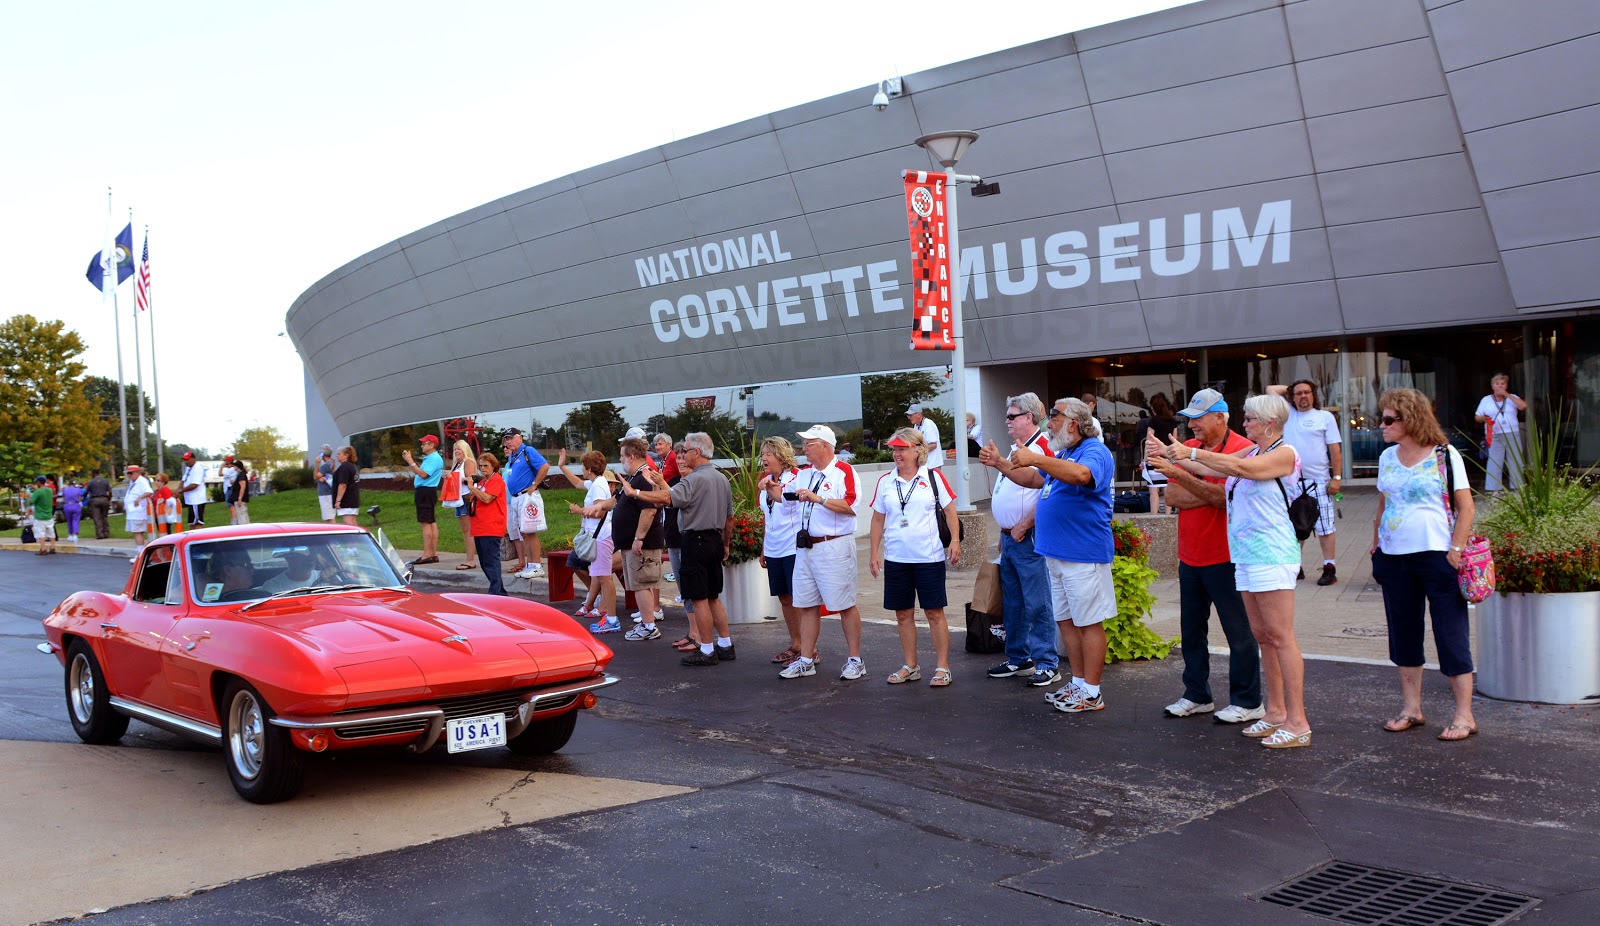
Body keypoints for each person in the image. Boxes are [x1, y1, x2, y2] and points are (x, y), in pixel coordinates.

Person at [1158, 393, 1312, 748]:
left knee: (1280, 636)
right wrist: (1174, 458)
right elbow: (1213, 469)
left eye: (1251, 419)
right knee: (1263, 635)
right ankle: (1274, 713)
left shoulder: (1284, 453)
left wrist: (1190, 453)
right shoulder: (1253, 451)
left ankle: (1297, 720)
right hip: (1245, 556)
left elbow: (1239, 470)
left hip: (1272, 555)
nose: (1246, 424)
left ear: (1270, 423)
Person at [1144, 388, 1263, 724]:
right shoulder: (1189, 449)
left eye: (1198, 418)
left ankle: (1248, 701)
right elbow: (1174, 497)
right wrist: (1207, 489)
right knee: (1191, 630)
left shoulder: (1243, 449)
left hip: (1228, 556)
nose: (1191, 424)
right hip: (1191, 554)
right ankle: (1197, 694)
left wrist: (1187, 477)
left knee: (1239, 632)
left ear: (1220, 417)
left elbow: (1223, 499)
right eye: (1190, 418)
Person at [1372, 388, 1478, 742]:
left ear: (1410, 420)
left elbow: (1467, 507)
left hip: (1437, 555)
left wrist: (1456, 549)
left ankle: (1464, 715)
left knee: (1450, 632)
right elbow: (1383, 504)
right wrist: (1375, 546)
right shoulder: (1387, 457)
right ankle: (1411, 709)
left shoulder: (1444, 456)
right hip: (1393, 557)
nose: (1381, 425)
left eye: (1388, 420)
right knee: (1403, 633)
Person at [1006, 398, 1117, 712]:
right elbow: (1033, 479)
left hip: (1082, 553)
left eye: (1054, 416)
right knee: (1067, 621)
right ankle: (1079, 684)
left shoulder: (1094, 451)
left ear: (1074, 423)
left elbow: (1083, 476)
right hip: (1057, 554)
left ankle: (1092, 692)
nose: (1048, 422)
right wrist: (1001, 463)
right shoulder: (1065, 454)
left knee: (1088, 622)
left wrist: (1036, 459)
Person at [978, 393, 1059, 687]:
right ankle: (1019, 657)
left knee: (1037, 602)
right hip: (1011, 536)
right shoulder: (1019, 448)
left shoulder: (1043, 448)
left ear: (1029, 417)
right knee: (1013, 602)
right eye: (1007, 416)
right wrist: (1005, 529)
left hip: (1028, 535)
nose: (1007, 421)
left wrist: (1025, 522)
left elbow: (1050, 491)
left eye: (1012, 416)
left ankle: (1047, 662)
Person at [869, 428, 960, 686]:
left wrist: (954, 541)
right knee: (902, 614)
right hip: (897, 559)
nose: (897, 454)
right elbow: (878, 519)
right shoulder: (886, 481)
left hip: (928, 557)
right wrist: (875, 553)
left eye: (903, 448)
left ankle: (943, 667)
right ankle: (911, 665)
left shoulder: (932, 477)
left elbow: (951, 511)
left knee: (934, 612)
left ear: (918, 450)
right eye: (895, 449)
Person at [640, 432, 736, 666]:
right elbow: (729, 517)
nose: (684, 454)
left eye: (688, 450)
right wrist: (725, 543)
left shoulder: (693, 480)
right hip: (714, 539)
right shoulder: (722, 478)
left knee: (699, 598)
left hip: (696, 540)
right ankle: (725, 644)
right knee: (713, 596)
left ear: (698, 453)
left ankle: (706, 649)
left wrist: (637, 492)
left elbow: (669, 499)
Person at [780, 425, 865, 681]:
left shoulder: (844, 471)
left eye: (809, 444)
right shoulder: (805, 474)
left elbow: (851, 505)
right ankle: (806, 660)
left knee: (845, 605)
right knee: (807, 605)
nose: (804, 448)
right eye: (804, 444)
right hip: (807, 547)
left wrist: (820, 499)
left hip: (834, 546)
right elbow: (785, 497)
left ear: (826, 446)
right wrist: (769, 486)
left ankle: (855, 659)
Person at [1270, 380, 1343, 585]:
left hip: (1319, 480)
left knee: (1324, 526)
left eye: (1307, 392)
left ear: (1314, 395)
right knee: (1294, 525)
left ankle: (1329, 567)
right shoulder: (1288, 415)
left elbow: (1335, 450)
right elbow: (1270, 390)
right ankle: (1295, 565)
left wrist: (1336, 478)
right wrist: (1290, 389)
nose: (1303, 396)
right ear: (1292, 396)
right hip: (1292, 480)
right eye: (1298, 393)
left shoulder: (1324, 417)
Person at [604, 437, 665, 641]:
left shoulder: (643, 478)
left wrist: (638, 538)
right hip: (632, 543)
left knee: (642, 584)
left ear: (631, 456)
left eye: (622, 456)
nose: (620, 459)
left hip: (643, 543)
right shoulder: (634, 478)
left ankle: (648, 626)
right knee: (639, 585)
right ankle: (647, 624)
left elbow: (648, 511)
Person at [757, 436, 806, 664]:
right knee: (784, 598)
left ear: (781, 455)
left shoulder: (797, 478)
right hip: (774, 548)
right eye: (763, 453)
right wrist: (764, 548)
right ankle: (796, 644)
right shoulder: (765, 481)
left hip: (793, 548)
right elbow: (767, 518)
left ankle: (808, 649)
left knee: (800, 599)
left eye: (768, 453)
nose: (764, 458)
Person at [559, 449, 617, 630]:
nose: (582, 470)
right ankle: (610, 617)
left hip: (601, 537)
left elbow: (600, 512)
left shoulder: (598, 485)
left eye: (583, 467)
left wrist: (580, 511)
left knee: (605, 578)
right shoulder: (596, 482)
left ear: (589, 468)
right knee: (601, 575)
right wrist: (561, 466)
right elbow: (577, 483)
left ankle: (612, 619)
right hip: (598, 536)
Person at [501, 428, 549, 580]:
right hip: (516, 497)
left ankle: (536, 565)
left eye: (511, 438)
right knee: (523, 532)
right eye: (506, 439)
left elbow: (544, 466)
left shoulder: (528, 451)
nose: (508, 442)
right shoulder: (513, 456)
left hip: (526, 496)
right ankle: (530, 565)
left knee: (530, 531)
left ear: (519, 438)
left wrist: (535, 484)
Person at [466, 451, 509, 596]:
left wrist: (472, 487)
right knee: (484, 562)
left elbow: (487, 498)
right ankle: (500, 592)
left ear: (493, 466)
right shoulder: (484, 481)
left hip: (491, 526)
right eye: (480, 466)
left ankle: (495, 593)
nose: (482, 468)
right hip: (480, 526)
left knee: (491, 561)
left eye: (485, 465)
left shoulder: (496, 480)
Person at [1475, 373, 1527, 492]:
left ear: (1506, 385)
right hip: (1494, 434)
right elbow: (1477, 417)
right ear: (1492, 386)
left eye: (1502, 384)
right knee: (1495, 461)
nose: (1499, 386)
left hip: (1512, 433)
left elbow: (1523, 406)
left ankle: (1517, 488)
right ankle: (1494, 490)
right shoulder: (1486, 400)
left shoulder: (1512, 397)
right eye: (1497, 384)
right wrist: (1485, 419)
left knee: (1515, 460)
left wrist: (1507, 395)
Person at [400, 434, 444, 564]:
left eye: (424, 443)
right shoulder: (430, 458)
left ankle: (427, 554)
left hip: (425, 491)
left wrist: (410, 461)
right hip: (427, 491)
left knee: (426, 522)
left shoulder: (434, 458)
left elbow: (424, 474)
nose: (422, 445)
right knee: (431, 521)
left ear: (432, 445)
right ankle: (433, 553)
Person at [1134, 394, 1180, 514]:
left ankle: (1154, 516)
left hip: (1154, 458)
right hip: (1168, 458)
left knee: (1154, 490)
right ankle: (1168, 515)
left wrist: (1144, 460)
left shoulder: (1153, 421)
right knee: (1167, 489)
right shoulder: (1172, 421)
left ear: (1154, 408)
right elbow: (1174, 440)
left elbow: (1149, 441)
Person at [443, 440, 479, 571]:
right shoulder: (457, 464)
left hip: (466, 498)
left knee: (468, 530)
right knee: (465, 530)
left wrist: (455, 477)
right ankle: (469, 558)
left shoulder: (468, 462)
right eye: (455, 449)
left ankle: (470, 560)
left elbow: (472, 479)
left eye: (459, 449)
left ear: (465, 449)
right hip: (458, 498)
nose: (457, 451)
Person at [124, 465, 154, 555]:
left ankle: (141, 554)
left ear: (137, 472)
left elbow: (149, 491)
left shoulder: (142, 481)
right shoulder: (133, 482)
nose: (129, 475)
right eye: (128, 473)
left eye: (131, 473)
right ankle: (139, 552)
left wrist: (140, 498)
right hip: (132, 512)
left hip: (138, 512)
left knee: (138, 532)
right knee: (135, 532)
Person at [331, 446, 361, 526]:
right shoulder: (352, 466)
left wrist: (338, 501)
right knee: (353, 521)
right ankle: (358, 537)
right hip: (354, 499)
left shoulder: (344, 467)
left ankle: (353, 538)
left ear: (346, 455)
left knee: (348, 523)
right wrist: (335, 471)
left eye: (339, 454)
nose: (337, 456)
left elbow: (343, 484)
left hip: (347, 500)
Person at [30, 476, 57, 555]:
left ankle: (43, 548)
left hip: (40, 516)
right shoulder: (49, 490)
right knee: (51, 532)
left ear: (39, 482)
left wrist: (29, 496)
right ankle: (52, 547)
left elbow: (31, 501)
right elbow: (43, 493)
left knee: (41, 533)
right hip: (49, 515)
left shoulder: (37, 492)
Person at [179, 452, 208, 526]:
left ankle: (200, 537)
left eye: (187, 459)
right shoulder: (188, 468)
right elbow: (183, 480)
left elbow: (194, 485)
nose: (186, 461)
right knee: (191, 523)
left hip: (196, 500)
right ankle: (193, 537)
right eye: (184, 459)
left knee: (197, 523)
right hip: (191, 501)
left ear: (193, 459)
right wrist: (178, 490)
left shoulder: (197, 468)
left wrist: (181, 491)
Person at [86, 470, 113, 540]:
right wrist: (108, 499)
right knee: (104, 517)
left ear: (93, 474)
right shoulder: (105, 481)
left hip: (94, 500)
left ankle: (100, 534)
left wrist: (84, 498)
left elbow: (86, 492)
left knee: (97, 518)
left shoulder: (91, 482)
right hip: (104, 499)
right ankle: (106, 533)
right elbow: (110, 491)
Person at [314, 445, 337, 522]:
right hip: (329, 493)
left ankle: (334, 533)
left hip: (326, 494)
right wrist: (323, 478)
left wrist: (317, 464)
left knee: (330, 518)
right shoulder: (330, 464)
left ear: (322, 454)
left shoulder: (326, 465)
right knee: (328, 517)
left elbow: (315, 476)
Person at [230, 460, 251, 525]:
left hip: (240, 499)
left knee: (242, 515)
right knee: (242, 514)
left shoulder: (241, 475)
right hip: (239, 498)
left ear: (237, 467)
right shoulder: (240, 474)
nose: (234, 467)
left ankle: (244, 529)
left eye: (234, 466)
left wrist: (240, 498)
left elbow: (242, 487)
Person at [220, 454, 240, 522]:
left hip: (229, 489)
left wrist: (222, 466)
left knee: (231, 507)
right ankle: (233, 521)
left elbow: (220, 474)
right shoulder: (233, 469)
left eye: (225, 461)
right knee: (231, 507)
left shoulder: (230, 469)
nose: (224, 463)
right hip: (230, 489)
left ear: (228, 462)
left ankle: (233, 522)